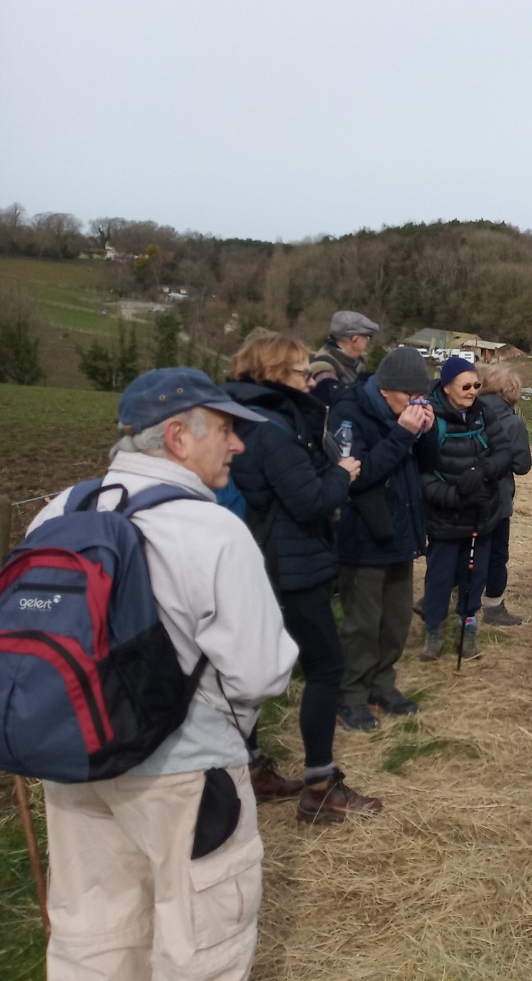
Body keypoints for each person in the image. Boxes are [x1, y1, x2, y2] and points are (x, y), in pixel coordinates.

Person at [31, 367, 299, 980]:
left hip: (75, 767)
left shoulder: (57, 512)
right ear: (178, 437)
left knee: (93, 940)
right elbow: (261, 674)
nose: (237, 444)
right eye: (227, 430)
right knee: (198, 946)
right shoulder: (213, 530)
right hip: (187, 780)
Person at [225, 333, 382, 821]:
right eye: (300, 372)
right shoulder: (273, 429)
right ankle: (319, 786)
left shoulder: (243, 417)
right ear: (274, 374)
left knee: (250, 669)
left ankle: (249, 768)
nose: (309, 380)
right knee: (326, 667)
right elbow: (309, 499)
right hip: (291, 567)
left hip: (263, 561)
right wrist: (344, 473)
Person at [330, 345, 434, 730]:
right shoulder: (349, 412)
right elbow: (360, 475)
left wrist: (427, 432)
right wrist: (403, 434)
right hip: (362, 534)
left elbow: (428, 465)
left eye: (421, 397)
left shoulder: (406, 415)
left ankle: (381, 683)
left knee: (394, 621)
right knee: (362, 622)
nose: (415, 404)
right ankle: (350, 695)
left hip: (401, 531)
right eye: (410, 397)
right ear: (386, 389)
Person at [415, 356, 510, 661]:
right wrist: (456, 496)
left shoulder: (483, 413)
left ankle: (468, 632)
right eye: (466, 386)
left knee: (474, 577)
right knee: (440, 577)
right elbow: (423, 474)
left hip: (480, 514)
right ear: (446, 388)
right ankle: (434, 633)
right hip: (445, 516)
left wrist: (482, 473)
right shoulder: (431, 419)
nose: (473, 391)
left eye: (476, 385)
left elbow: (504, 451)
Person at [476, 365, 532, 626]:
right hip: (497, 498)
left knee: (468, 550)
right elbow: (522, 466)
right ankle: (494, 606)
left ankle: (463, 600)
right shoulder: (513, 423)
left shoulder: (468, 413)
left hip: (462, 495)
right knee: (497, 553)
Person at [310, 309, 379, 405]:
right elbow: (331, 406)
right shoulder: (325, 369)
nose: (368, 343)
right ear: (355, 340)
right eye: (367, 338)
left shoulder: (352, 361)